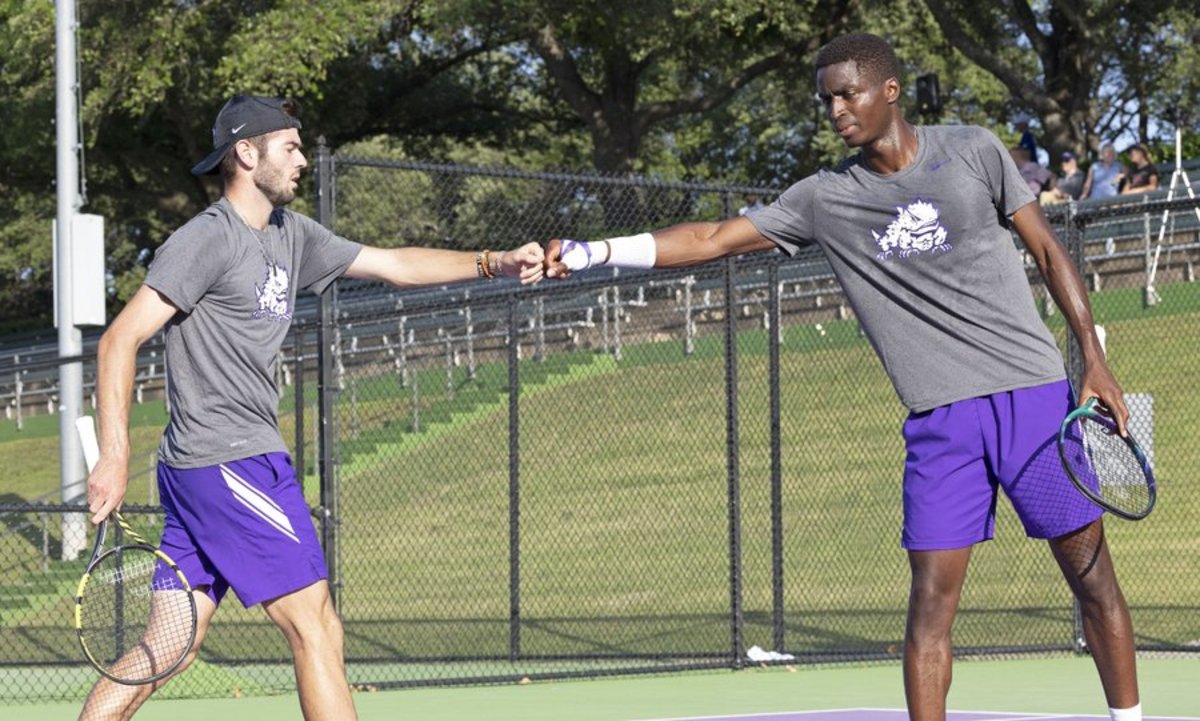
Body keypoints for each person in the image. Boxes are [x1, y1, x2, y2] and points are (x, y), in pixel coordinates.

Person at [544, 33, 1141, 721]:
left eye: (846, 93)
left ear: (889, 91)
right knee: (930, 607)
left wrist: (1093, 359)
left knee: (1093, 578)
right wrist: (593, 251)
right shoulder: (824, 198)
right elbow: (709, 239)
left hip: (1032, 400)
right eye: (825, 98)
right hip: (941, 423)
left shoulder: (973, 150)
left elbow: (1045, 246)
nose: (834, 109)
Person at [81, 95, 544, 721]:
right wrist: (114, 454)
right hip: (228, 462)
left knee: (170, 646)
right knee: (316, 627)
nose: (302, 159)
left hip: (212, 468)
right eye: (290, 147)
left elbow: (395, 265)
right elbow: (119, 338)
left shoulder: (291, 235)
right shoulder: (205, 240)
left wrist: (494, 262)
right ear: (247, 153)